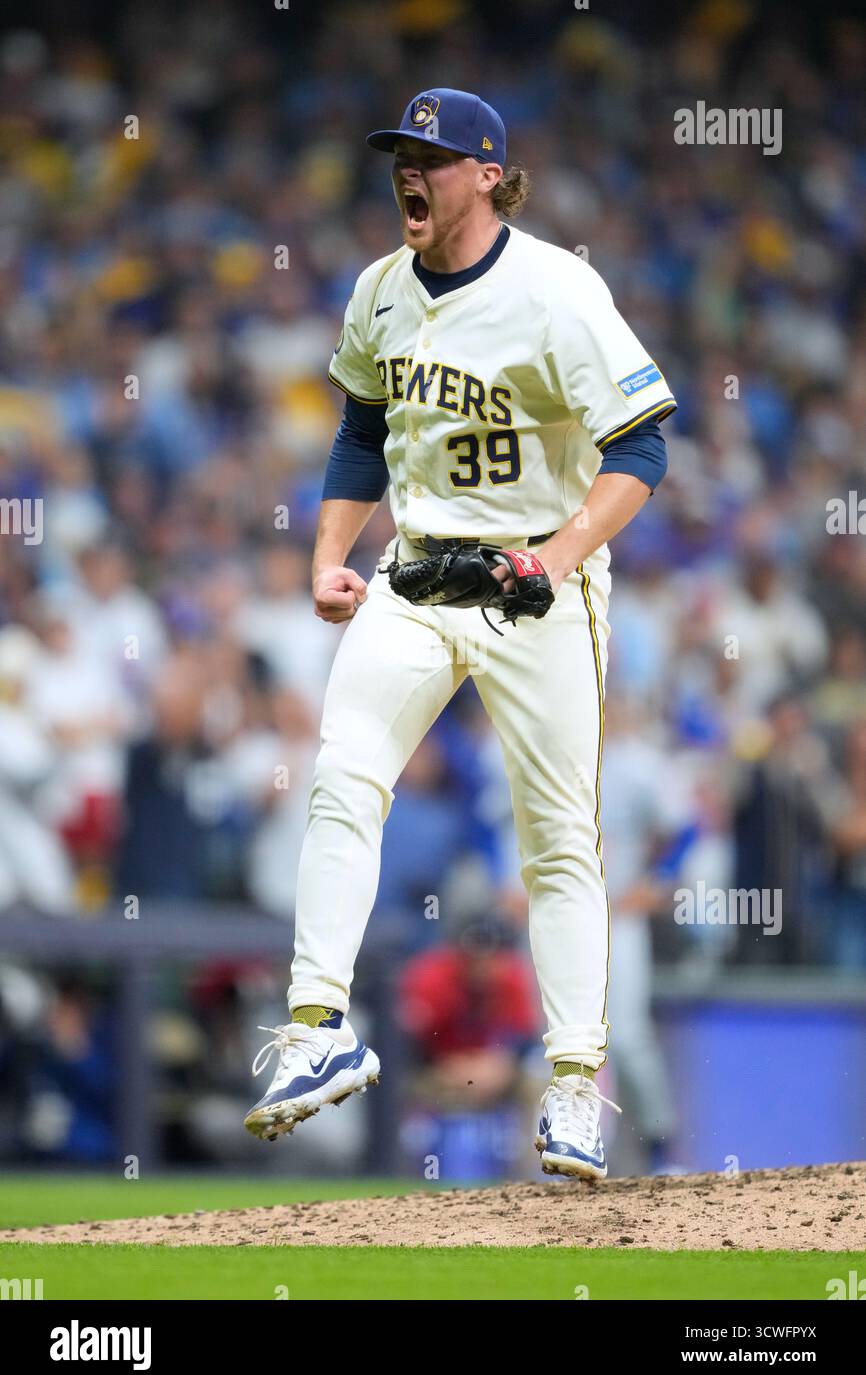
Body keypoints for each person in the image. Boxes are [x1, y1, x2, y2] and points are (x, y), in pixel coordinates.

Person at [245, 89, 677, 1180]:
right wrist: (325, 555)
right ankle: (318, 1030)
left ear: (486, 174)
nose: (410, 171)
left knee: (556, 840)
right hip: (415, 574)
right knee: (342, 776)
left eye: (431, 157)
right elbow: (358, 430)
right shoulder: (379, 292)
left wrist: (561, 557)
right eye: (401, 152)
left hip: (535, 579)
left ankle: (575, 1086)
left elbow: (641, 445)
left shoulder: (555, 289)